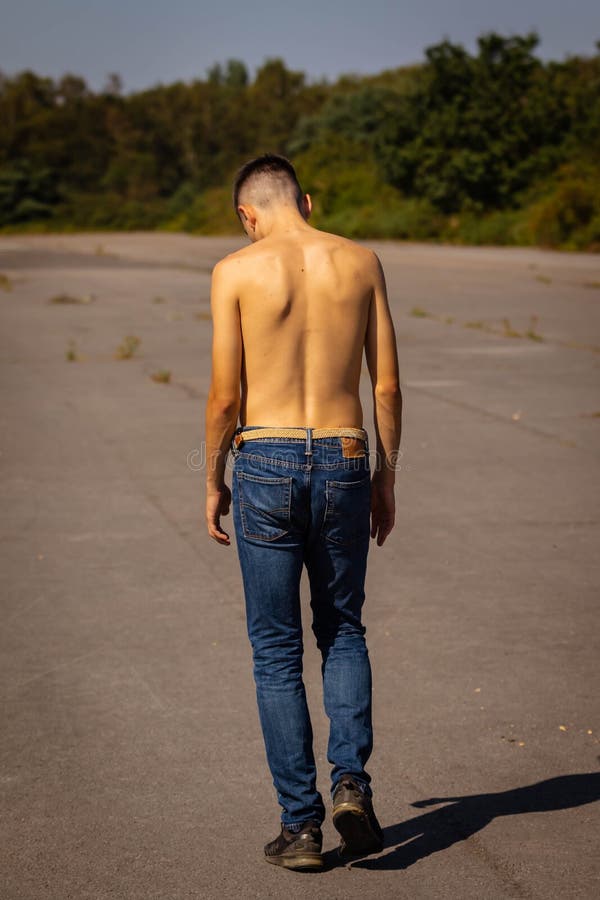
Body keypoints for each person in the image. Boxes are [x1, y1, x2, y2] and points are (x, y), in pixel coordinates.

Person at [204, 154, 402, 870]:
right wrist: (385, 476)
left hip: (267, 458)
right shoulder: (362, 261)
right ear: (308, 203)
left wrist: (212, 479)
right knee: (343, 629)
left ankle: (302, 828)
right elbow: (387, 386)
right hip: (348, 454)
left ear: (247, 215)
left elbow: (226, 397)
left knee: (277, 651)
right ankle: (351, 781)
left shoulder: (235, 270)